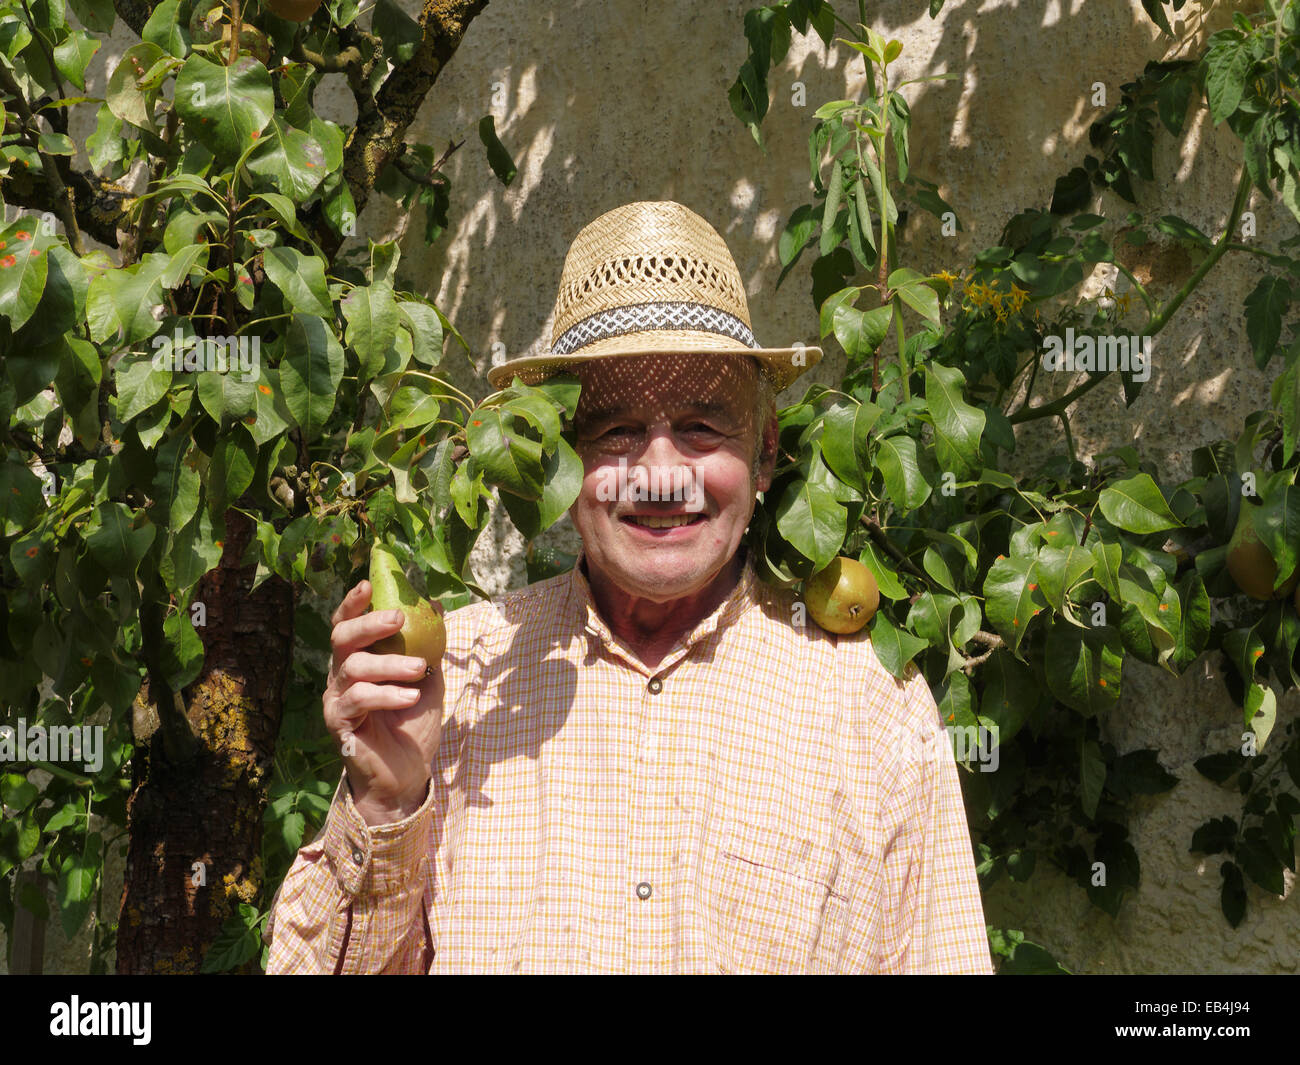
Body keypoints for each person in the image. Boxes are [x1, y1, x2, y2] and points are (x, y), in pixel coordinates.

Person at [265, 200, 993, 974]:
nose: (660, 475)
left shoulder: (872, 701)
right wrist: (385, 803)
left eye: (703, 426)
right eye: (616, 431)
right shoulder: (459, 682)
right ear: (559, 458)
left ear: (767, 452)